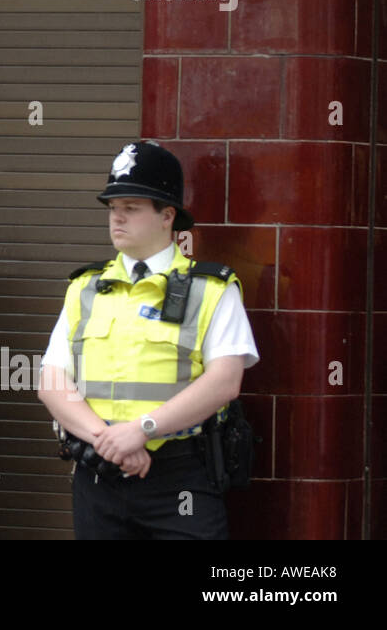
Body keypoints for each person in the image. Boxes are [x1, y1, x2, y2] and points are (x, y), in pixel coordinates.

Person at [37, 141, 258, 539]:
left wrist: (143, 429)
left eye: (131, 208)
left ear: (167, 216)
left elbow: (225, 381)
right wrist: (109, 441)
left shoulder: (211, 288)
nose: (116, 218)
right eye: (112, 208)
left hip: (179, 479)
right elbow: (52, 380)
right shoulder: (86, 287)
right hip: (97, 474)